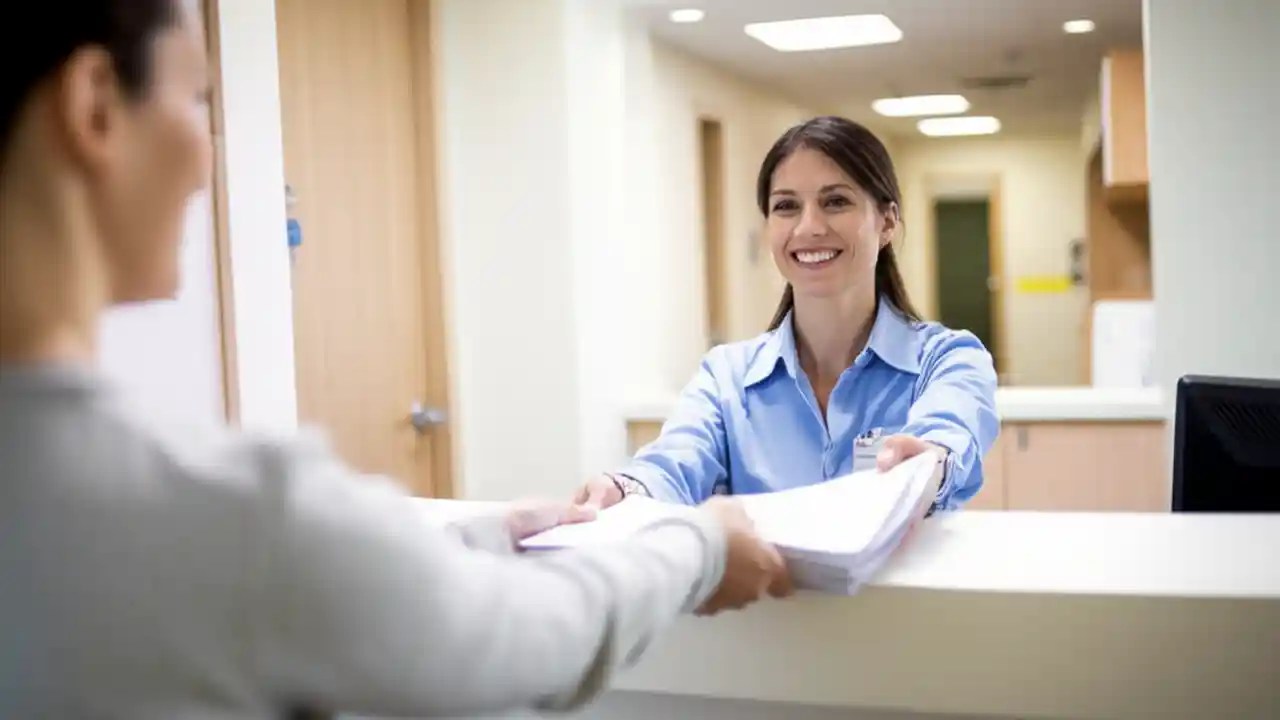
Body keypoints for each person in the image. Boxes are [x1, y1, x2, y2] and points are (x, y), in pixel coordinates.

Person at [0, 1, 792, 717]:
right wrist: (701, 544)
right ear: (96, 106)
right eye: (199, 100)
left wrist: (488, 536)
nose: (210, 163)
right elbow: (529, 642)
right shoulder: (219, 510)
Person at [575, 116, 998, 516]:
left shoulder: (948, 358)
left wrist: (929, 462)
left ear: (887, 222)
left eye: (835, 202)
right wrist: (625, 488)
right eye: (786, 207)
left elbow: (948, 431)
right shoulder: (727, 378)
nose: (809, 227)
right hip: (767, 596)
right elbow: (674, 462)